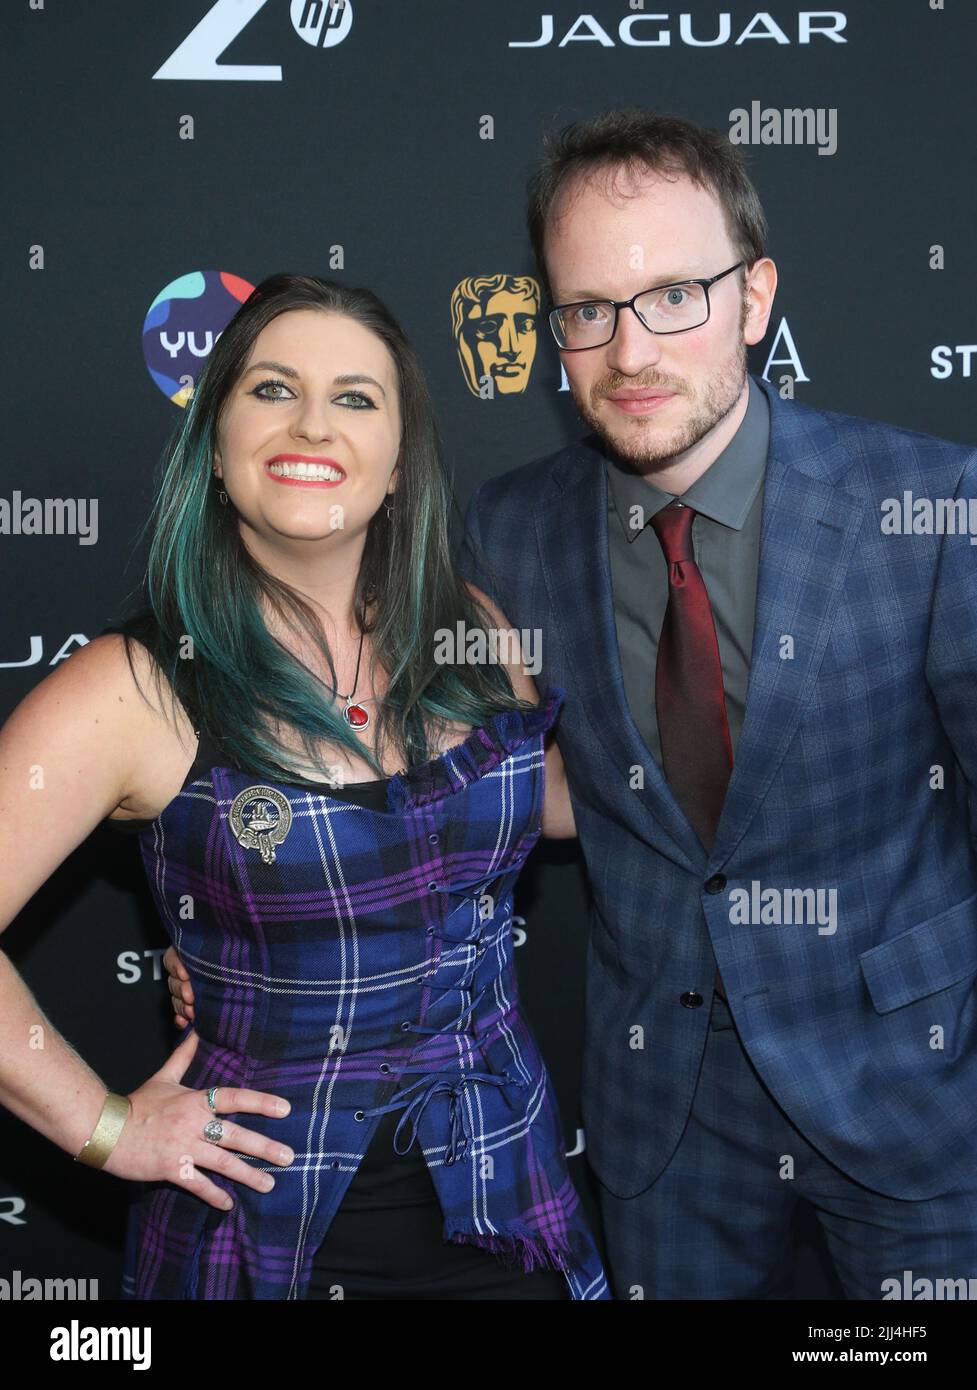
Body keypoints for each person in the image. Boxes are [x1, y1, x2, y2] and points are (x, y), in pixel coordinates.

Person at [170, 109, 977, 1302]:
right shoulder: (502, 534)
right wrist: (235, 938)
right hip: (660, 1126)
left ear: (754, 298)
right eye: (588, 311)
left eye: (673, 297)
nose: (630, 349)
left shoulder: (930, 508)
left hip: (910, 1096)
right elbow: (407, 779)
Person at [0, 272, 610, 1301]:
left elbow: (540, 802)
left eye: (356, 397)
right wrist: (100, 1125)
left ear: (398, 461)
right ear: (216, 441)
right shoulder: (133, 688)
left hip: (508, 1203)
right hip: (266, 1237)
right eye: (271, 388)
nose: (313, 424)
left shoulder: (471, 627)